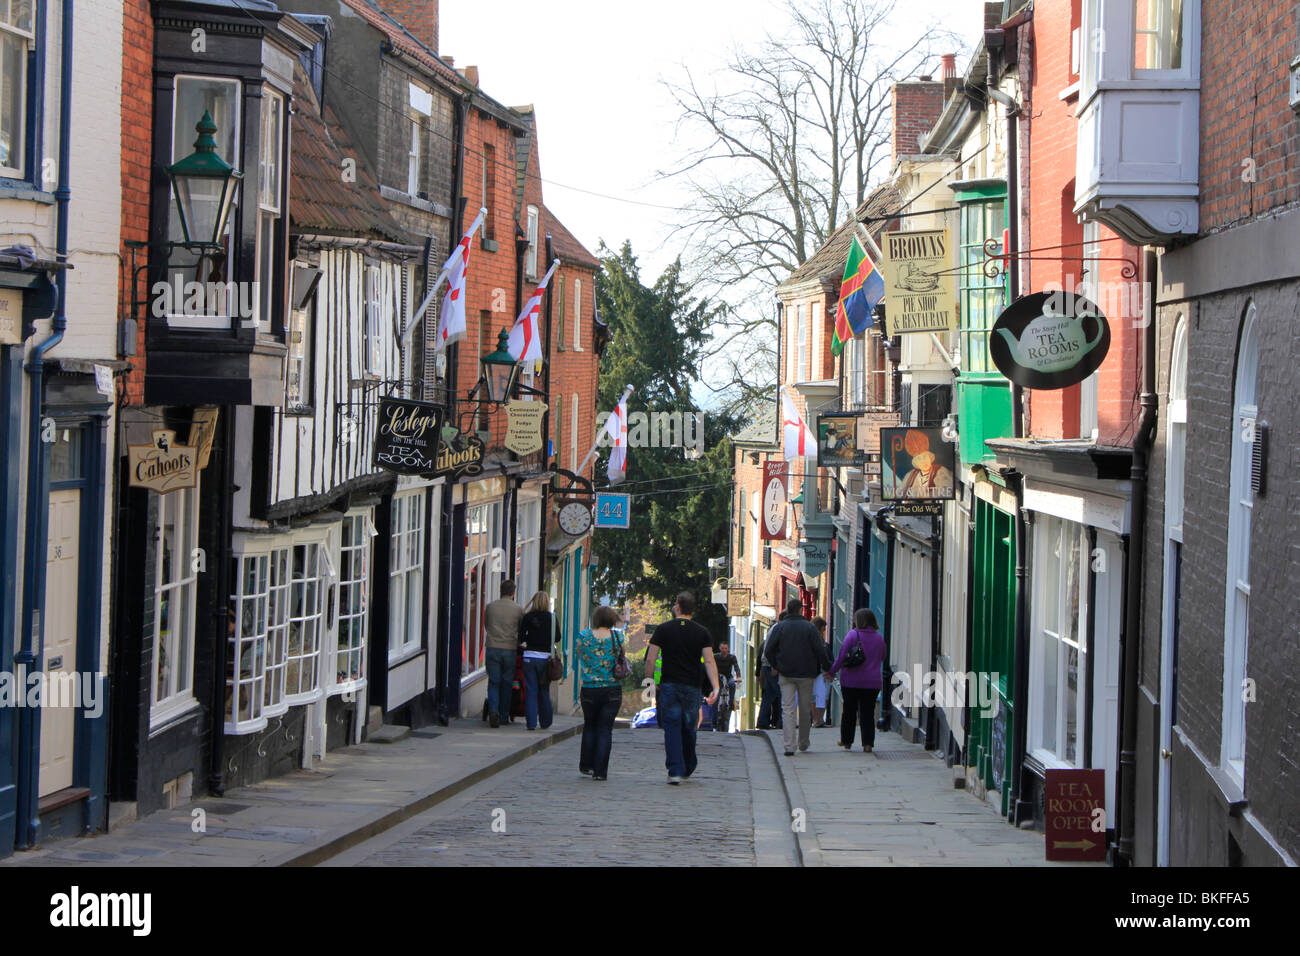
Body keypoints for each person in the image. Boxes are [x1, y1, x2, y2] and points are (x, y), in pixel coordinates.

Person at [645, 592, 718, 784]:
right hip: (692, 686)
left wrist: (649, 682)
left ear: (678, 607)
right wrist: (716, 687)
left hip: (669, 685)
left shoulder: (663, 629)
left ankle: (675, 769)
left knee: (672, 727)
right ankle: (688, 764)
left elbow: (651, 658)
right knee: (689, 727)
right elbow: (709, 661)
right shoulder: (702, 632)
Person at [763, 597, 831, 756]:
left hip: (786, 674)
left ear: (788, 609)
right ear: (801, 610)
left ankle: (789, 746)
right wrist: (827, 668)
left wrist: (777, 666)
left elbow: (768, 650)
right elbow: (820, 651)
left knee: (787, 709)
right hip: (807, 674)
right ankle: (803, 742)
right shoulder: (810, 628)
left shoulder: (780, 627)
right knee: (805, 708)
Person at [575, 605, 625, 780]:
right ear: (612, 619)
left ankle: (586, 765)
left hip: (589, 687)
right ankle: (600, 771)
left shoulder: (584, 636)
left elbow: (580, 654)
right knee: (605, 729)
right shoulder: (618, 636)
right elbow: (621, 656)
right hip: (611, 689)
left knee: (589, 725)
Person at [826, 608, 887, 752]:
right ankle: (868, 744)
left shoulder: (853, 635)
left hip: (851, 681)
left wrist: (832, 672)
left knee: (849, 712)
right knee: (867, 713)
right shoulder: (879, 638)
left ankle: (846, 741)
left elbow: (841, 656)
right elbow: (882, 656)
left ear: (859, 621)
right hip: (872, 682)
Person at [483, 580, 523, 728]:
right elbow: (520, 628)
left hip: (493, 647)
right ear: (513, 592)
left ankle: (493, 710)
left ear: (501, 591)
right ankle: (504, 715)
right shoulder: (518, 609)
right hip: (509, 649)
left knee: (494, 682)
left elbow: (486, 625)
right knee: (507, 683)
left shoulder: (490, 607)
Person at [517, 591, 556, 731]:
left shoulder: (528, 617)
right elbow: (557, 637)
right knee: (544, 690)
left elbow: (521, 637)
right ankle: (545, 722)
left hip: (529, 657)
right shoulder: (552, 618)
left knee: (531, 690)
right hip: (545, 659)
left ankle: (531, 723)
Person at [756, 637, 782, 730]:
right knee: (781, 695)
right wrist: (775, 666)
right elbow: (764, 656)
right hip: (772, 669)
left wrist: (757, 675)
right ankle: (780, 722)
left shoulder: (765, 642)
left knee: (768, 696)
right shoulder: (772, 641)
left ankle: (763, 722)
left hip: (766, 670)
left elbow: (759, 659)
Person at [811, 617, 831, 728]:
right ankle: (818, 719)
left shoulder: (821, 642)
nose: (824, 632)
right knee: (819, 696)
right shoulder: (818, 641)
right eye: (823, 629)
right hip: (819, 672)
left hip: (817, 672)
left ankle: (818, 719)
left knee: (819, 696)